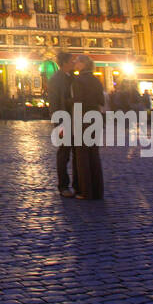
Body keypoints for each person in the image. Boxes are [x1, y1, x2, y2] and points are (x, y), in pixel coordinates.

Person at [70, 55, 105, 200]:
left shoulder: (78, 81)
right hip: (95, 117)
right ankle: (98, 190)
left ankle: (85, 191)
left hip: (83, 119)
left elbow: (77, 102)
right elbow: (101, 100)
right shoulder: (97, 81)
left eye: (77, 61)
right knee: (94, 154)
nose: (75, 63)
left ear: (83, 64)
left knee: (82, 155)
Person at [47, 52, 77, 197]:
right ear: (65, 63)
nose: (74, 63)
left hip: (76, 120)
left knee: (77, 154)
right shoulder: (55, 79)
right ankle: (63, 186)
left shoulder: (72, 77)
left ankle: (77, 184)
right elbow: (54, 103)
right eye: (72, 61)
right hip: (64, 120)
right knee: (64, 154)